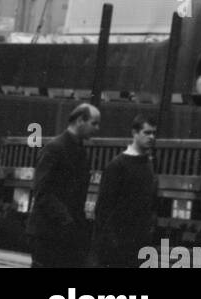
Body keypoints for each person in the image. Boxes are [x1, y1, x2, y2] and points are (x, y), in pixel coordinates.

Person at [27, 100, 99, 268]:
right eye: (94, 123)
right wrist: (67, 220)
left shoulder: (80, 151)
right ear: (80, 120)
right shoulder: (55, 148)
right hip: (48, 232)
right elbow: (42, 191)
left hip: (64, 231)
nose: (97, 128)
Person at [94, 114, 159, 268]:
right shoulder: (117, 165)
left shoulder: (148, 165)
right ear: (134, 133)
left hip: (139, 245)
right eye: (147, 132)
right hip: (118, 247)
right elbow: (103, 209)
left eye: (154, 133)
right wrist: (111, 244)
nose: (151, 137)